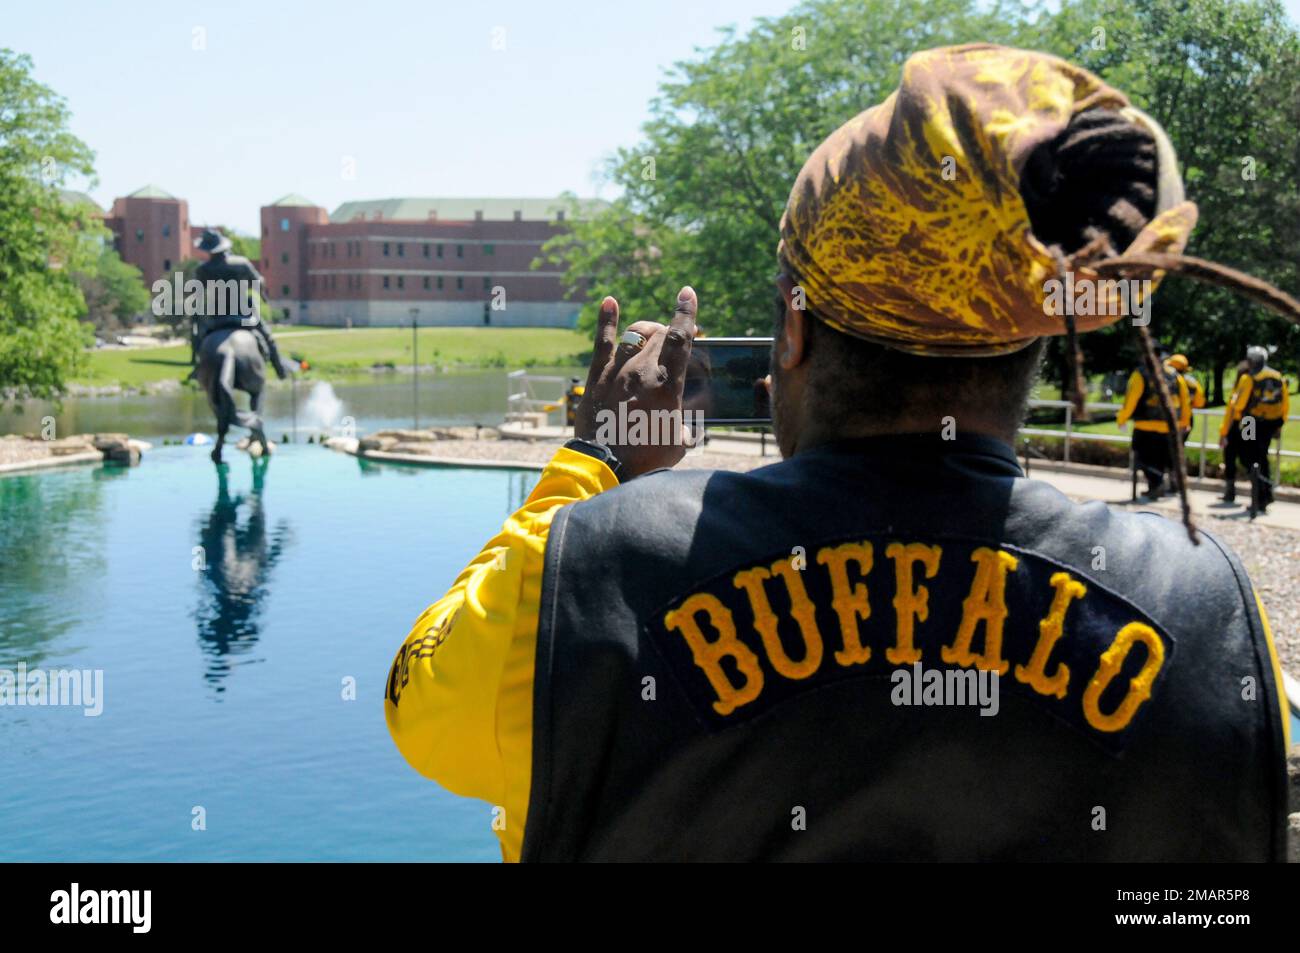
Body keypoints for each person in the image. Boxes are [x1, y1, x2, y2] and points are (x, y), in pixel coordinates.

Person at [385, 45, 1292, 861]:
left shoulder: (590, 577)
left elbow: (417, 706)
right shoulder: (1208, 611)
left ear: (793, 331)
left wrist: (592, 459)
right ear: (1035, 339)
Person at [193, 229, 295, 379]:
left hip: (216, 316)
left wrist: (196, 317)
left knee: (198, 337)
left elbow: (198, 296)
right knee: (267, 337)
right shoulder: (241, 263)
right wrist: (262, 296)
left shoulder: (203, 269)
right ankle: (279, 368)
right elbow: (258, 283)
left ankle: (198, 369)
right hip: (243, 313)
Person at [1220, 346, 1291, 509]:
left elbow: (1239, 405)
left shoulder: (1249, 378)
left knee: (1250, 458)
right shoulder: (1278, 376)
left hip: (1250, 422)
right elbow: (1285, 404)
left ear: (1251, 361)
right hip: (1272, 423)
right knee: (1261, 457)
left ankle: (1260, 498)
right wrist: (1279, 424)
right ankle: (1266, 494)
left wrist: (1233, 400)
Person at [1115, 350, 1191, 499]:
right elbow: (1185, 401)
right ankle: (1161, 485)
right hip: (1169, 427)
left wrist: (1121, 419)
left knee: (1143, 457)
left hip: (1145, 426)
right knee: (1164, 458)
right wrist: (1184, 422)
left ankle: (1156, 485)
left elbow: (1131, 399)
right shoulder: (1175, 375)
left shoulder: (1140, 374)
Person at [1166, 353, 1204, 442]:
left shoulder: (1168, 381)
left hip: (1171, 418)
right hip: (1187, 421)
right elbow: (1200, 402)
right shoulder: (1192, 383)